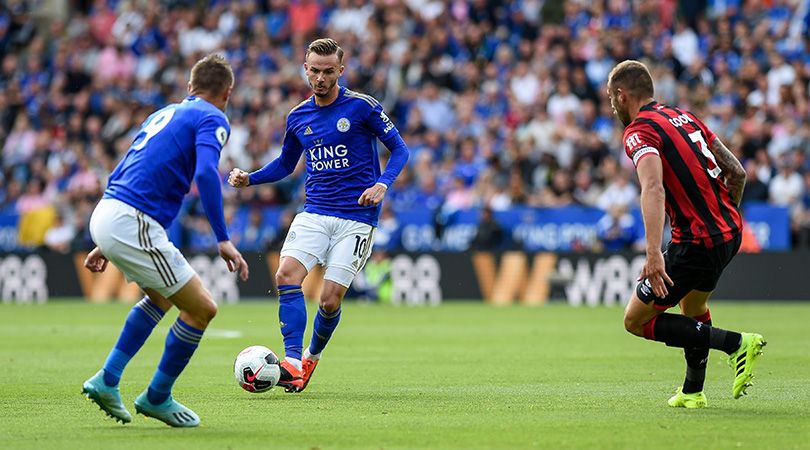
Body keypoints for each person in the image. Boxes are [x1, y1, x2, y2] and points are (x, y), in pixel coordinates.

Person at [229, 38, 409, 393]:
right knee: (286, 275)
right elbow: (285, 164)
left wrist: (383, 184)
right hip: (314, 212)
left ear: (341, 71)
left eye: (329, 71)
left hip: (357, 217)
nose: (321, 78)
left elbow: (400, 150)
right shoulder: (298, 116)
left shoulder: (363, 107)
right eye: (315, 70)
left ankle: (311, 356)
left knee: (329, 300)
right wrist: (250, 178)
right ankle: (292, 362)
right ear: (305, 68)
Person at [81, 54, 249, 427]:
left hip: (111, 210)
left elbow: (129, 167)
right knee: (203, 308)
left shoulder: (164, 113)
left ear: (190, 87)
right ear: (228, 91)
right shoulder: (212, 116)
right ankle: (157, 396)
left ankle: (108, 379)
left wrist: (107, 237)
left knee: (159, 297)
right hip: (130, 220)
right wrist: (223, 238)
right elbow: (206, 173)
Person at [608, 60, 765, 409]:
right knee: (693, 307)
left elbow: (652, 187)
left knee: (635, 320)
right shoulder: (685, 117)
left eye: (611, 98)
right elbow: (736, 172)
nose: (612, 106)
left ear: (622, 95)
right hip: (729, 232)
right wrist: (722, 221)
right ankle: (693, 392)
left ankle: (736, 343)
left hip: (696, 241)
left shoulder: (639, 131)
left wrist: (653, 254)